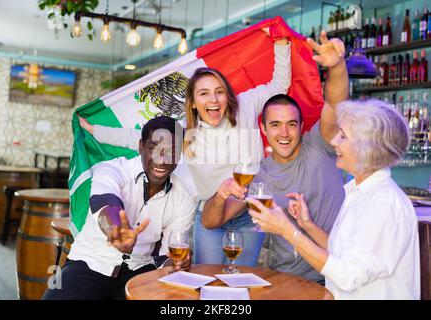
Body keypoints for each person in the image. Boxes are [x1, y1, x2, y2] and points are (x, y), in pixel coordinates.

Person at [78, 33, 292, 267]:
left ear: (227, 94)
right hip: (210, 215)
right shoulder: (186, 133)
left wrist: (282, 44)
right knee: (206, 279)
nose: (214, 99)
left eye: (219, 91)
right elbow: (138, 139)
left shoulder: (246, 105)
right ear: (192, 102)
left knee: (240, 278)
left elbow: (279, 85)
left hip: (248, 214)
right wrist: (95, 129)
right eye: (204, 93)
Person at [202, 31, 348, 284]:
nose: (284, 133)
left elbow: (336, 104)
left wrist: (336, 66)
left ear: (302, 127)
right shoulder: (258, 176)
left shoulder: (320, 144)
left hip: (335, 275)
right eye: (276, 125)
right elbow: (212, 221)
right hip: (285, 281)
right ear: (264, 130)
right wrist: (221, 194)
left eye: (291, 124)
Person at [247, 99, 420, 299]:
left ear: (367, 147)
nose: (334, 141)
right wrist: (307, 224)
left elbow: (349, 275)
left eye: (343, 136)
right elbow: (341, 252)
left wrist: (286, 230)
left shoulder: (384, 202)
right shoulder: (359, 193)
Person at [42, 116, 195, 300]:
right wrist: (117, 230)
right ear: (141, 147)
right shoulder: (112, 169)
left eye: (171, 152)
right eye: (154, 149)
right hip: (90, 262)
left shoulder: (184, 198)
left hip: (139, 271)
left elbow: (166, 257)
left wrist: (176, 263)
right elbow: (106, 203)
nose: (162, 160)